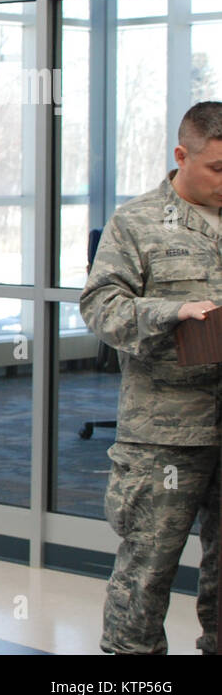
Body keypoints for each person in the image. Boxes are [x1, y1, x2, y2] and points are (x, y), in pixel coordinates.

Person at [80, 101, 222, 655]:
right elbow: (100, 308)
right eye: (216, 168)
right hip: (165, 434)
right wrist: (171, 313)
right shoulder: (136, 223)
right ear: (181, 155)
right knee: (146, 572)